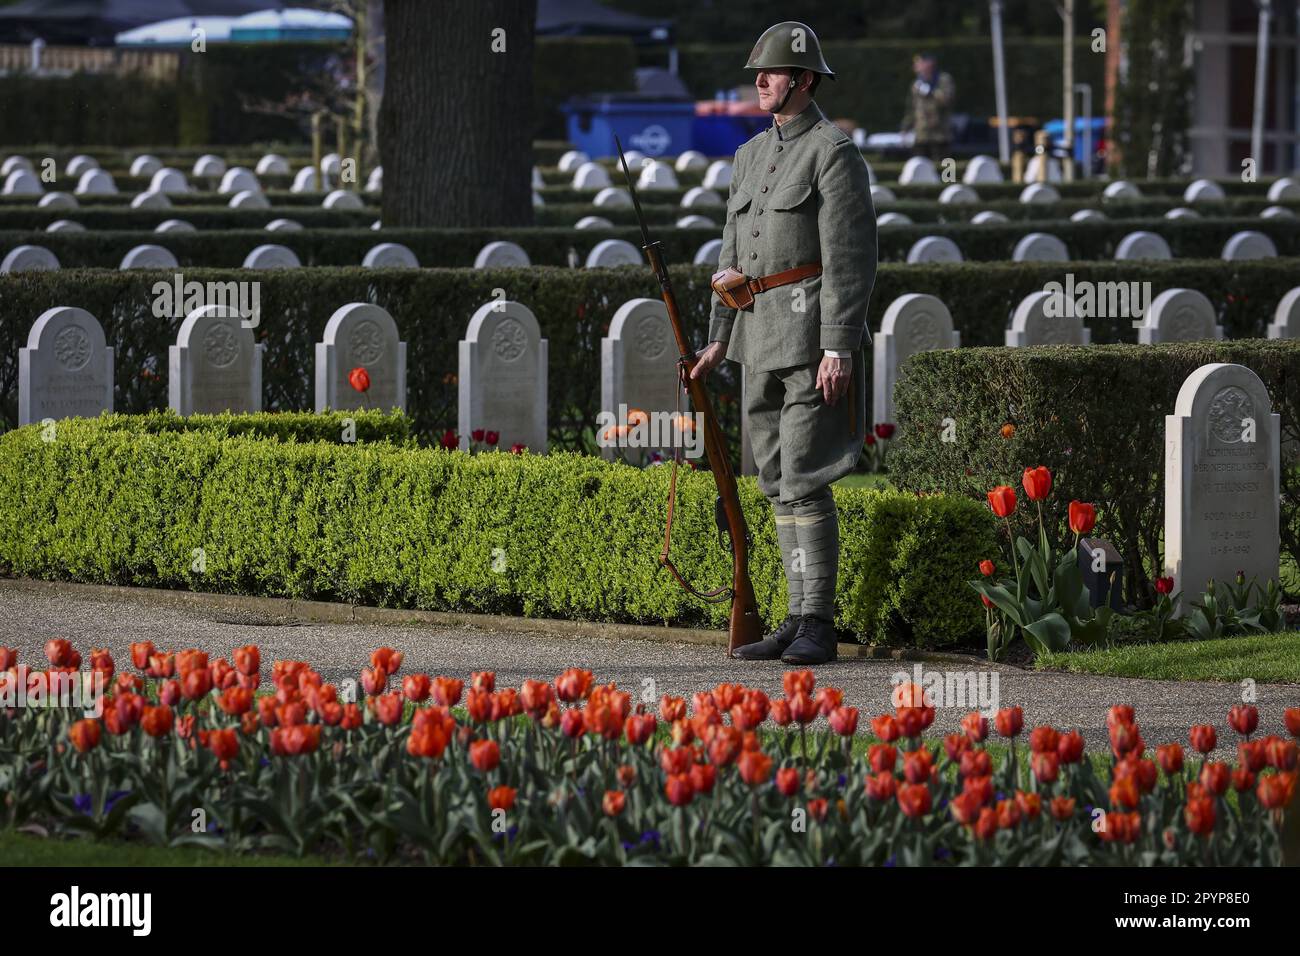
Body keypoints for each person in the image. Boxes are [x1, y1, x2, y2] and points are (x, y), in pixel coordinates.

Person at [691, 21, 877, 665]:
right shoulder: (747, 157)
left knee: (803, 479)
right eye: (758, 74)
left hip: (807, 339)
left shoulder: (832, 152)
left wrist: (838, 345)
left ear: (802, 80)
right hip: (755, 340)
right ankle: (795, 620)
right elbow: (729, 259)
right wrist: (718, 339)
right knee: (774, 483)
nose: (761, 82)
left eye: (770, 73)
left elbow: (850, 258)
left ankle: (818, 623)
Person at [902, 52, 955, 163]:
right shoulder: (916, 84)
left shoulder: (943, 80)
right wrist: (906, 128)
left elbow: (947, 100)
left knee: (947, 170)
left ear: (929, 63)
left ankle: (949, 181)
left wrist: (930, 91)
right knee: (921, 166)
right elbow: (912, 108)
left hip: (941, 134)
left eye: (919, 63)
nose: (916, 67)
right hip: (922, 134)